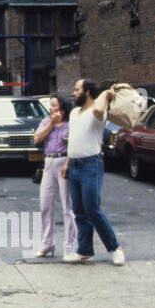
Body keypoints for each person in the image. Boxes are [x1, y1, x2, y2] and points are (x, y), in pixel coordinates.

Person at [62, 78, 125, 265]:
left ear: (87, 92)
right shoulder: (74, 113)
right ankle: (86, 251)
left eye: (76, 89)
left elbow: (98, 109)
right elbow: (72, 140)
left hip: (91, 165)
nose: (73, 93)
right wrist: (67, 163)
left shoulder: (99, 112)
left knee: (92, 209)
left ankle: (115, 247)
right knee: (79, 211)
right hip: (74, 164)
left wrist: (105, 93)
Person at [32, 93, 76, 258]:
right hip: (49, 163)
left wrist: (67, 164)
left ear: (63, 109)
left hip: (63, 161)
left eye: (54, 105)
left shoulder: (70, 125)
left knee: (67, 207)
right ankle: (47, 243)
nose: (50, 108)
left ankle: (69, 246)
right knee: (45, 205)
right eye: (50, 105)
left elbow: (73, 145)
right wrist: (51, 123)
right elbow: (37, 139)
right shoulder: (45, 122)